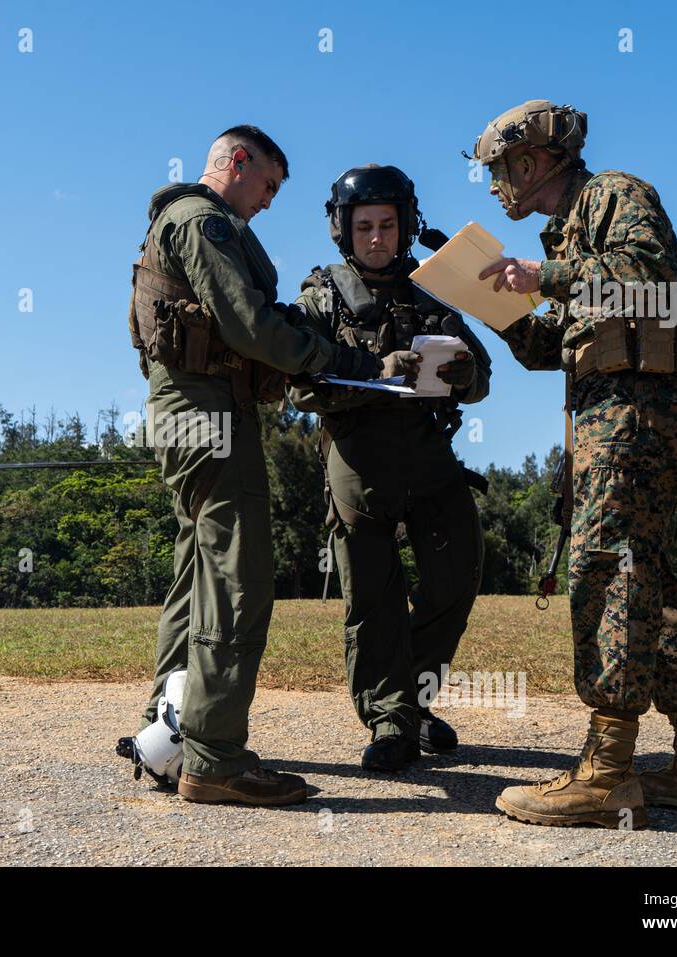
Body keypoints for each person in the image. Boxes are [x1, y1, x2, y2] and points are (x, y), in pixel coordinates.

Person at [469, 100, 677, 828]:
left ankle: (608, 772)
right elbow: (550, 345)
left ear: (532, 161)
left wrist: (542, 274)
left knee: (606, 566)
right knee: (650, 576)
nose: (494, 187)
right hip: (616, 418)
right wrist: (493, 305)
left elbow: (648, 279)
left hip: (637, 416)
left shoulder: (616, 194)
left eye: (498, 171)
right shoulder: (567, 235)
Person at [124, 126, 392, 805]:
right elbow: (246, 323)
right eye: (268, 185)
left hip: (195, 411)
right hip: (208, 413)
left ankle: (171, 733)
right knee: (239, 576)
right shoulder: (202, 220)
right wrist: (343, 360)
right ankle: (214, 758)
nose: (270, 202)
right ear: (236, 161)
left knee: (199, 570)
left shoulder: (183, 222)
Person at [288, 165, 490, 773]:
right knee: (373, 598)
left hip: (430, 456)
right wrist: (380, 371)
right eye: (364, 226)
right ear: (342, 230)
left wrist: (466, 376)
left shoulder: (434, 288)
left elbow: (480, 374)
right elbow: (298, 389)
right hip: (359, 459)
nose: (377, 238)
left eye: (388, 225)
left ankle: (415, 702)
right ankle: (390, 721)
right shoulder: (320, 296)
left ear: (406, 227)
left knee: (457, 573)